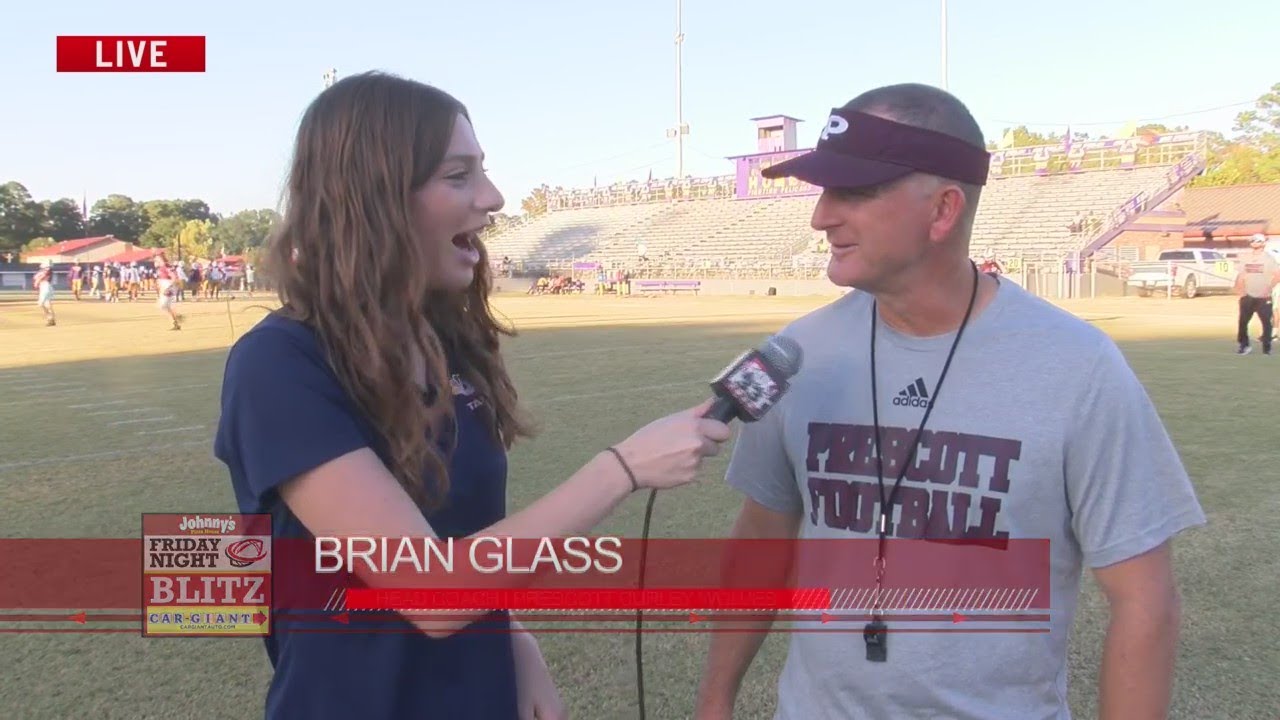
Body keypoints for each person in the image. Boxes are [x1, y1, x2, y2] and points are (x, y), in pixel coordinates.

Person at [212, 71, 732, 720]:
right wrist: (621, 469)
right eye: (458, 176)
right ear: (373, 197)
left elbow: (461, 537)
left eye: (482, 171)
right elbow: (428, 590)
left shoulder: (446, 341)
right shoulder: (281, 363)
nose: (493, 197)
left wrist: (514, 640)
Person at [693, 84, 1206, 720]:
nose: (821, 216)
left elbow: (1144, 598)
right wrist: (714, 701)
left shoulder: (1078, 367)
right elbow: (761, 541)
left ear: (943, 211)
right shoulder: (799, 353)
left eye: (852, 191)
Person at [1233, 233, 1278, 355]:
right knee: (1242, 322)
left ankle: (1267, 348)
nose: (1255, 243)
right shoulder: (1245, 258)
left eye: (1258, 241)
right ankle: (1244, 345)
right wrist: (1240, 290)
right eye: (1253, 241)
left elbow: (1278, 274)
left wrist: (1269, 288)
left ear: (1263, 243)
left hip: (1263, 297)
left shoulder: (1269, 258)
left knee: (1266, 323)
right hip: (1247, 296)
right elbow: (1241, 275)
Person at [33, 259, 56, 326]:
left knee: (42, 303)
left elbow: (41, 277)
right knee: (47, 304)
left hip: (45, 286)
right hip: (44, 286)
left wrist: (36, 282)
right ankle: (50, 319)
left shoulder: (48, 270)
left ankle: (50, 318)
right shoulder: (43, 270)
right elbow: (36, 277)